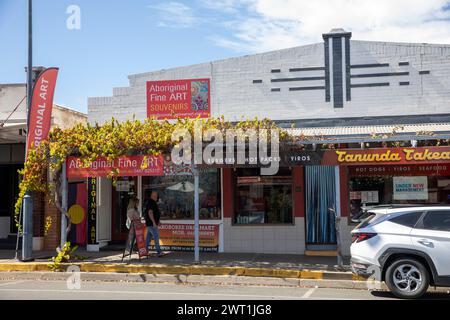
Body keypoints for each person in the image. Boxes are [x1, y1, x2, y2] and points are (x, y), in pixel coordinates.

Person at [144, 191, 164, 257]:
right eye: (156, 196)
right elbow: (150, 213)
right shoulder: (151, 202)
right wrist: (154, 222)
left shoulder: (152, 202)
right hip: (152, 224)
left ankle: (145, 251)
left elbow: (154, 214)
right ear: (153, 196)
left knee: (148, 238)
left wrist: (158, 221)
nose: (157, 197)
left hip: (151, 224)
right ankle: (159, 251)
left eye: (157, 195)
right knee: (156, 237)